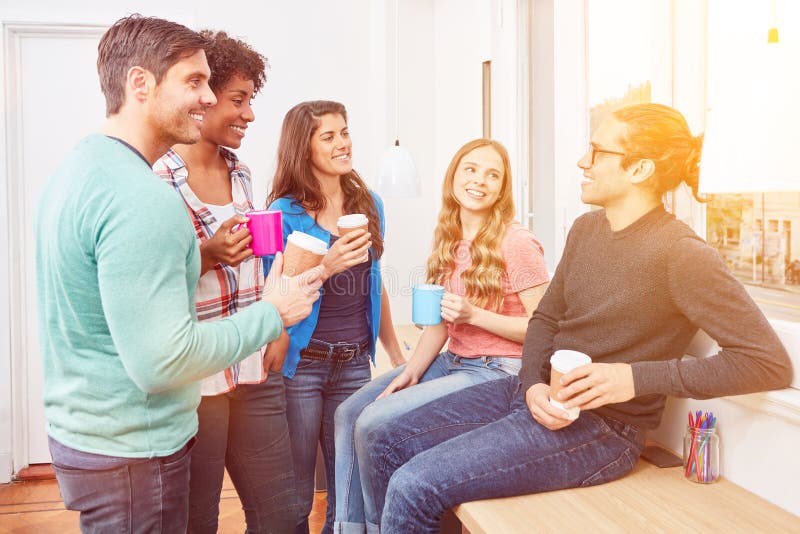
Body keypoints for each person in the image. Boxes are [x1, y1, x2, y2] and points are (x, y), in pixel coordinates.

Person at [358, 103, 793, 533]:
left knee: (415, 485)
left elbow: (766, 362)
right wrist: (532, 382)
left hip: (604, 429)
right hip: (533, 393)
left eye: (597, 151)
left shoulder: (682, 254)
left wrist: (633, 378)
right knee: (381, 439)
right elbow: (545, 319)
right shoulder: (587, 229)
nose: (583, 161)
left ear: (639, 169)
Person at [35, 16, 321, 533]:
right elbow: (164, 362)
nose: (208, 98)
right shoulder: (143, 195)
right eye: (195, 82)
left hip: (100, 438)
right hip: (135, 446)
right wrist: (273, 314)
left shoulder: (82, 167)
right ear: (140, 84)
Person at [332, 138, 549, 533]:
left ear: (502, 188)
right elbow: (440, 324)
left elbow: (545, 330)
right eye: (471, 169)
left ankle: (382, 527)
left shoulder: (517, 242)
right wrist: (411, 371)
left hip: (498, 371)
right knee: (349, 413)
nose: (479, 180)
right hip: (454, 361)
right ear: (453, 177)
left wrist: (475, 315)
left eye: (492, 175)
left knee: (373, 424)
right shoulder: (449, 236)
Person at [153, 31, 298, 533]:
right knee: (199, 519)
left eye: (250, 100)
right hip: (197, 380)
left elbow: (260, 265)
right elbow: (148, 282)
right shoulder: (156, 179)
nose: (249, 114)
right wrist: (206, 256)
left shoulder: (241, 172)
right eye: (238, 100)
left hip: (255, 365)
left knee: (282, 515)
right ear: (204, 96)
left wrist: (278, 326)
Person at [266, 100, 406, 534]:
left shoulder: (369, 204)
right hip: (302, 365)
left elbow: (374, 282)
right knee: (296, 491)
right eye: (328, 136)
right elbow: (276, 296)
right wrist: (327, 266)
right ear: (303, 148)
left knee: (347, 491)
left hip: (354, 364)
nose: (342, 143)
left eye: (344, 132)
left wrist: (396, 353)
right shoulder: (284, 213)